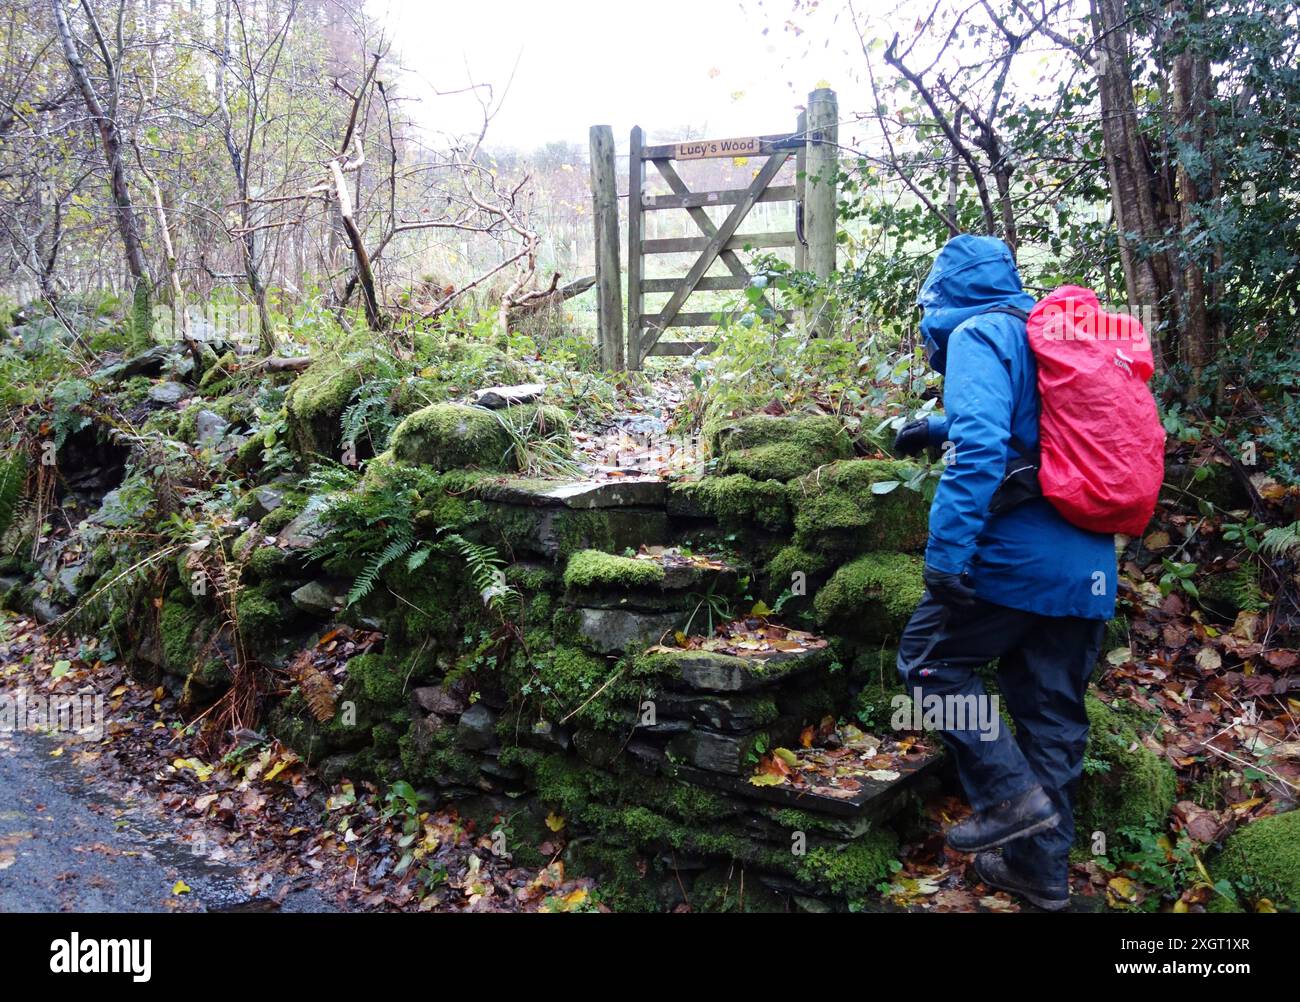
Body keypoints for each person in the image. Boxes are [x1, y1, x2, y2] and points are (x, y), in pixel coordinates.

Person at [892, 234, 1116, 911]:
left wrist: (945, 556)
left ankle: (1007, 794)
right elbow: (1034, 427)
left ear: (944, 295)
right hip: (1088, 567)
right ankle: (1041, 875)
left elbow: (985, 444)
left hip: (1015, 561)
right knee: (1050, 715)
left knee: (929, 665)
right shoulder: (1051, 335)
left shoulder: (977, 333)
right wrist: (933, 426)